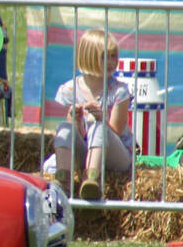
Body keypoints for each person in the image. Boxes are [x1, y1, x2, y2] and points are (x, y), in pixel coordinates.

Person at [53, 28, 133, 200]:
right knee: (64, 128)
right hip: (85, 151)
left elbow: (116, 133)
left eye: (114, 56)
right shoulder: (68, 90)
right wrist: (76, 121)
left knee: (99, 128)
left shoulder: (119, 91)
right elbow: (77, 136)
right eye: (106, 56)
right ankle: (63, 181)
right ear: (88, 57)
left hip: (117, 156)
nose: (112, 62)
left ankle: (91, 180)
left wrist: (101, 118)